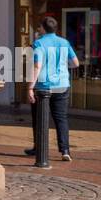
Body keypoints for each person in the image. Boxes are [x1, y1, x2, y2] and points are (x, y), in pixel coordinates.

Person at [25, 17, 78, 167]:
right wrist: (61, 67)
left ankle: (38, 148)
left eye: (39, 27)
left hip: (43, 86)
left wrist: (30, 87)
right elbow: (75, 63)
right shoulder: (64, 43)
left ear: (42, 28)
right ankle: (65, 150)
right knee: (61, 118)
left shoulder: (39, 43)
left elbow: (37, 66)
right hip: (62, 85)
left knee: (39, 118)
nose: (38, 29)